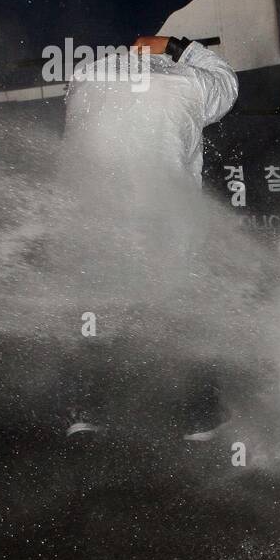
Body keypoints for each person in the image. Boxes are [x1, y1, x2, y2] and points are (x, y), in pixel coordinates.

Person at [58, 36, 239, 437]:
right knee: (183, 308)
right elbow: (227, 82)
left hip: (96, 221)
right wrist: (176, 46)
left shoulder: (86, 75)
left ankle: (87, 411)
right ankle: (199, 415)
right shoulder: (189, 84)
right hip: (163, 224)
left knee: (96, 312)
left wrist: (132, 54)